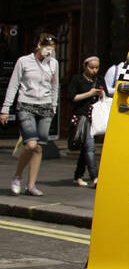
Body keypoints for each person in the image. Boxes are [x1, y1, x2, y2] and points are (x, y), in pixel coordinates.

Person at [2, 33, 60, 197]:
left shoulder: (53, 63)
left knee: (39, 148)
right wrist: (5, 109)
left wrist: (53, 106)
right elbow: (13, 85)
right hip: (26, 105)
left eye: (52, 49)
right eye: (46, 48)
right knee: (30, 145)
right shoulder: (23, 61)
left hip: (45, 107)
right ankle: (17, 176)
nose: (49, 52)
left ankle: (31, 185)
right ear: (38, 46)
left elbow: (55, 86)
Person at [67, 55, 104, 187]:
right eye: (91, 67)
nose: (94, 70)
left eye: (97, 67)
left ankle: (78, 175)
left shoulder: (100, 79)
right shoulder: (77, 79)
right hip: (82, 116)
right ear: (85, 66)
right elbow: (71, 97)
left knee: (86, 147)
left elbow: (105, 98)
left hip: (95, 117)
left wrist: (101, 94)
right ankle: (95, 176)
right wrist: (90, 93)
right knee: (89, 146)